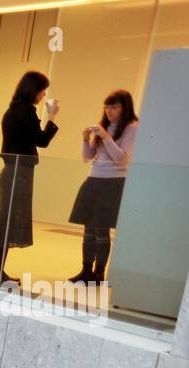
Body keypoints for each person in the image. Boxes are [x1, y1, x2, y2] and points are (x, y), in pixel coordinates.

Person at [0, 71, 60, 288]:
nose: (44, 94)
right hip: (19, 174)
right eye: (43, 89)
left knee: (6, 220)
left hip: (13, 172)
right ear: (34, 90)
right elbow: (42, 140)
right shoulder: (26, 113)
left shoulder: (12, 111)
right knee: (6, 222)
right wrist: (52, 116)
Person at [68, 90, 138, 285]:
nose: (109, 111)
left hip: (113, 182)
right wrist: (85, 139)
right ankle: (85, 270)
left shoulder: (132, 128)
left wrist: (106, 137)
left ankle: (99, 273)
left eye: (114, 107)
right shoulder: (104, 127)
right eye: (106, 107)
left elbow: (121, 158)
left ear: (125, 107)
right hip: (94, 179)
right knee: (88, 229)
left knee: (102, 229)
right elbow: (87, 157)